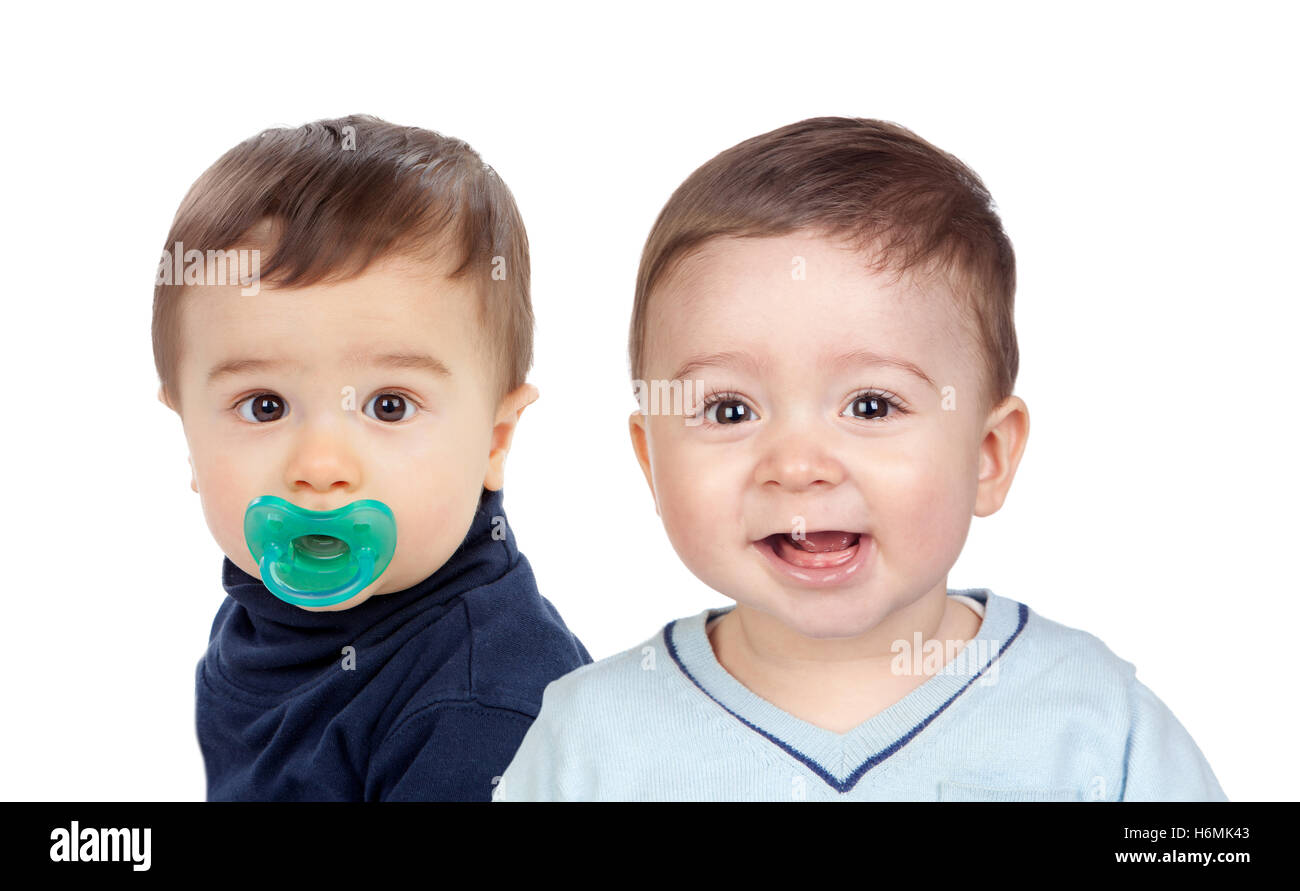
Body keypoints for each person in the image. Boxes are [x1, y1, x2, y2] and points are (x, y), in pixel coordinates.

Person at [495, 116, 1225, 801]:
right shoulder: (588, 741)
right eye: (729, 410)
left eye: (871, 406)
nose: (797, 465)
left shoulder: (1097, 725)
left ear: (988, 454)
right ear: (652, 463)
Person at [153, 114, 590, 800]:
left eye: (389, 406)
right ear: (188, 434)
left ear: (495, 440)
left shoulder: (482, 710)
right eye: (264, 405)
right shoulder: (261, 608)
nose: (321, 465)